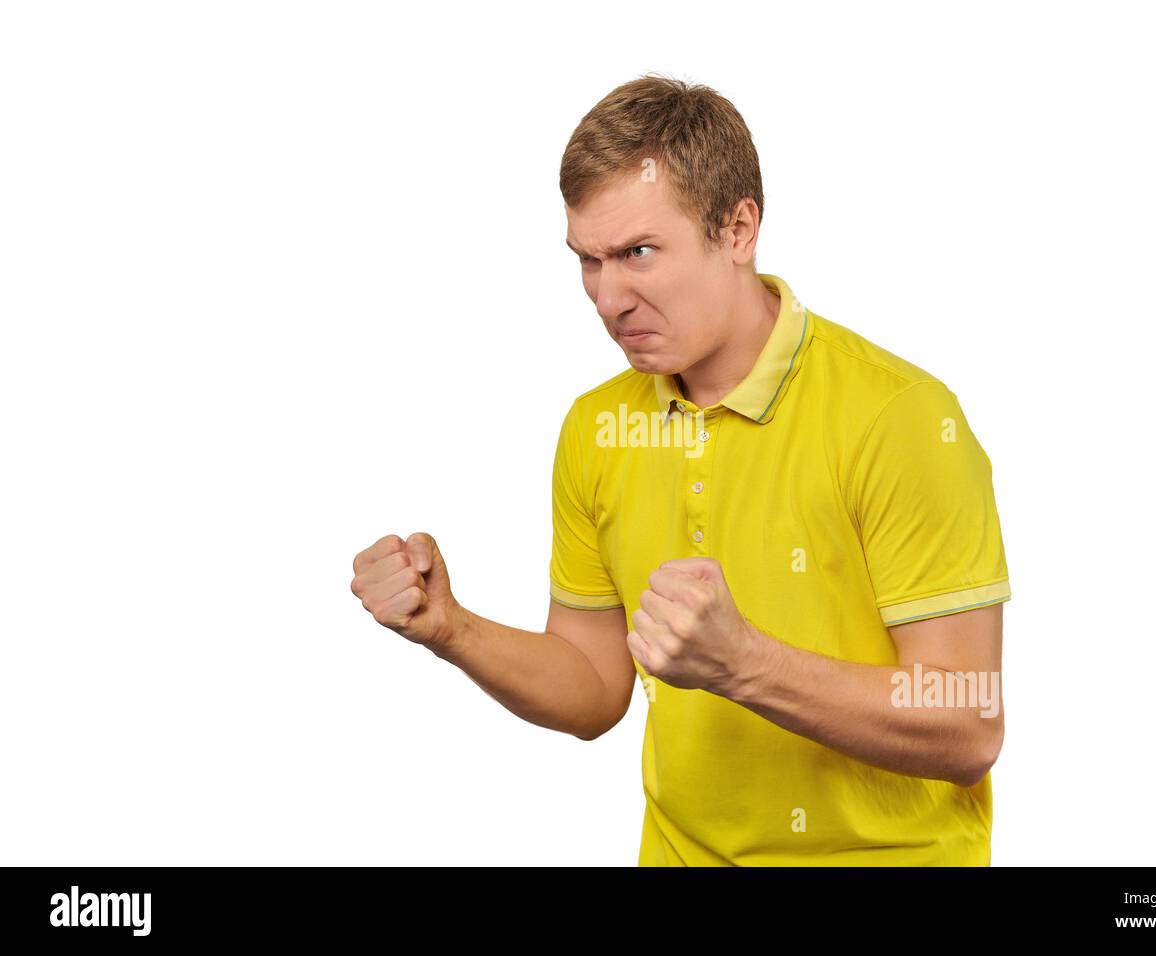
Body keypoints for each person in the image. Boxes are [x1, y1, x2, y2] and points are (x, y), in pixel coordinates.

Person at [350, 74, 1011, 866]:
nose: (606, 297)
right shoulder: (599, 427)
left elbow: (968, 723)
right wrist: (452, 629)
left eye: (637, 253)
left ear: (738, 229)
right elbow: (594, 686)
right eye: (588, 261)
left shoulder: (898, 417)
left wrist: (746, 665)